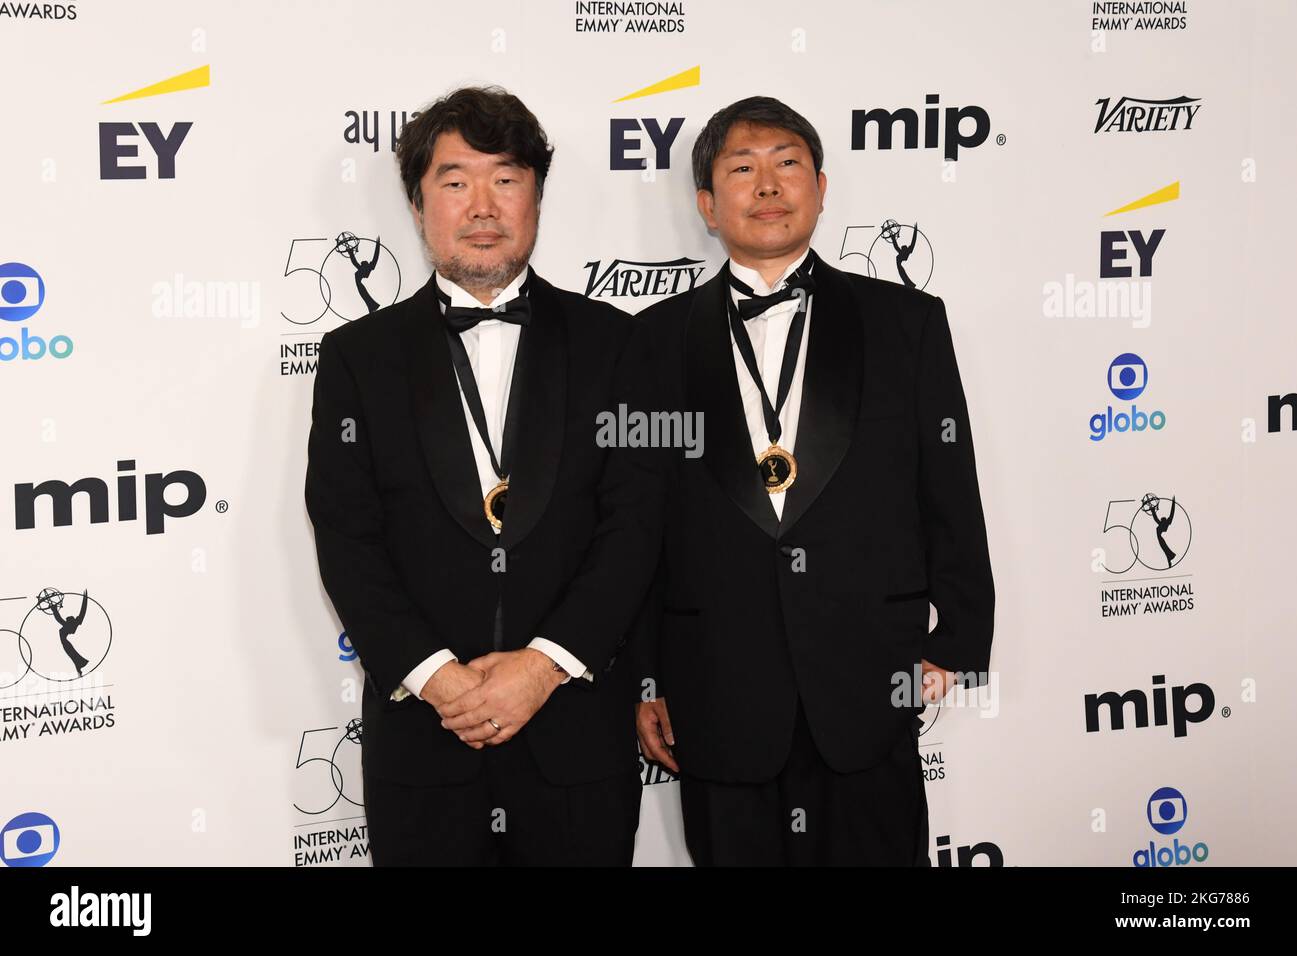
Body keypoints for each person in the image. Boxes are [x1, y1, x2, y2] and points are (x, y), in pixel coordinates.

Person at [633, 96, 996, 865]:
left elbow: (950, 487)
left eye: (787, 164)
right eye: (742, 169)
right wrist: (642, 676)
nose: (768, 185)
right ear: (707, 204)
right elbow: (637, 524)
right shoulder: (649, 342)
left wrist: (956, 640)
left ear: (822, 188)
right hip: (716, 693)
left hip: (870, 683)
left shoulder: (907, 323)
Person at [305, 86, 662, 865]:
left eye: (505, 178)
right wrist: (439, 681)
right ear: (416, 200)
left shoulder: (616, 343)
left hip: (577, 737)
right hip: (424, 741)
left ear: (536, 194)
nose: (482, 205)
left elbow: (635, 525)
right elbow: (347, 536)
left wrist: (542, 668)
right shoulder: (357, 358)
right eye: (455, 180)